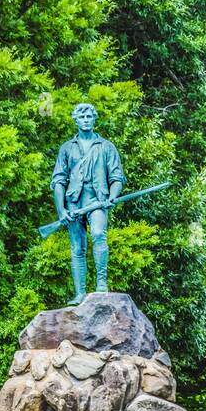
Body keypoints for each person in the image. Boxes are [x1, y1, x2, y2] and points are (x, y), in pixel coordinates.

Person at [51, 102, 125, 306]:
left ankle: (101, 285)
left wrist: (112, 195)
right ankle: (80, 293)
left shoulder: (106, 147)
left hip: (97, 199)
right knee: (77, 248)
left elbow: (117, 176)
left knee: (99, 234)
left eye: (89, 117)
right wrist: (61, 210)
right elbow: (58, 180)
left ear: (94, 119)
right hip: (73, 202)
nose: (85, 120)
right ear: (75, 120)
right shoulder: (67, 148)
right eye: (81, 117)